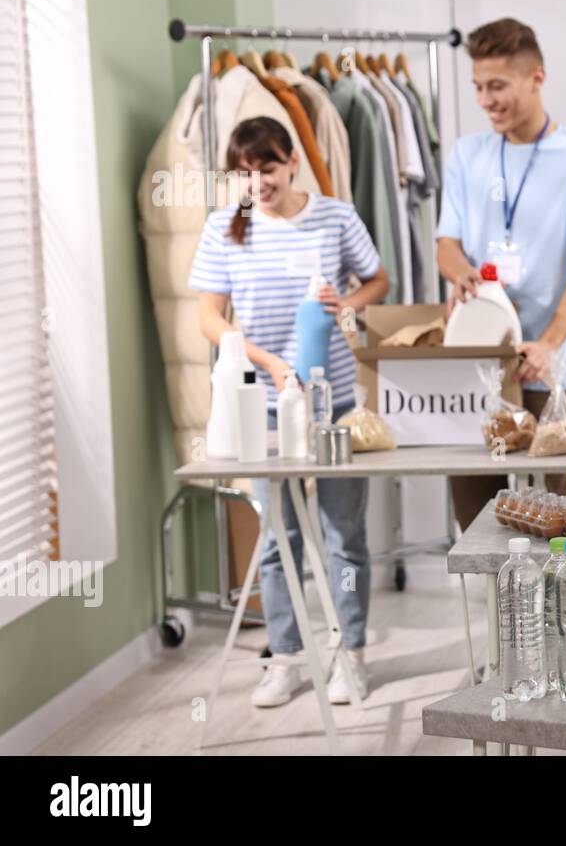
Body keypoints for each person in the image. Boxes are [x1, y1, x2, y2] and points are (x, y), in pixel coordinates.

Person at [190, 116, 390, 706]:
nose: (257, 182)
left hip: (335, 401)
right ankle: (285, 657)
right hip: (264, 405)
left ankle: (349, 653)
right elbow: (209, 318)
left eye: (267, 168)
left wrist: (343, 301)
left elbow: (377, 282)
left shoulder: (334, 217)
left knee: (343, 534)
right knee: (277, 536)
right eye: (245, 172)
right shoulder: (224, 229)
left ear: (292, 162)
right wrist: (269, 362)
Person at [437, 18, 566, 532]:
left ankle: (550, 614)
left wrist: (549, 345)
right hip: (477, 356)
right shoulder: (467, 155)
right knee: (475, 516)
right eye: (478, 88)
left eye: (497, 86)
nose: (486, 100)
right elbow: (446, 243)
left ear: (536, 77)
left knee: (548, 518)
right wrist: (462, 271)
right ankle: (490, 611)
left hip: (550, 363)